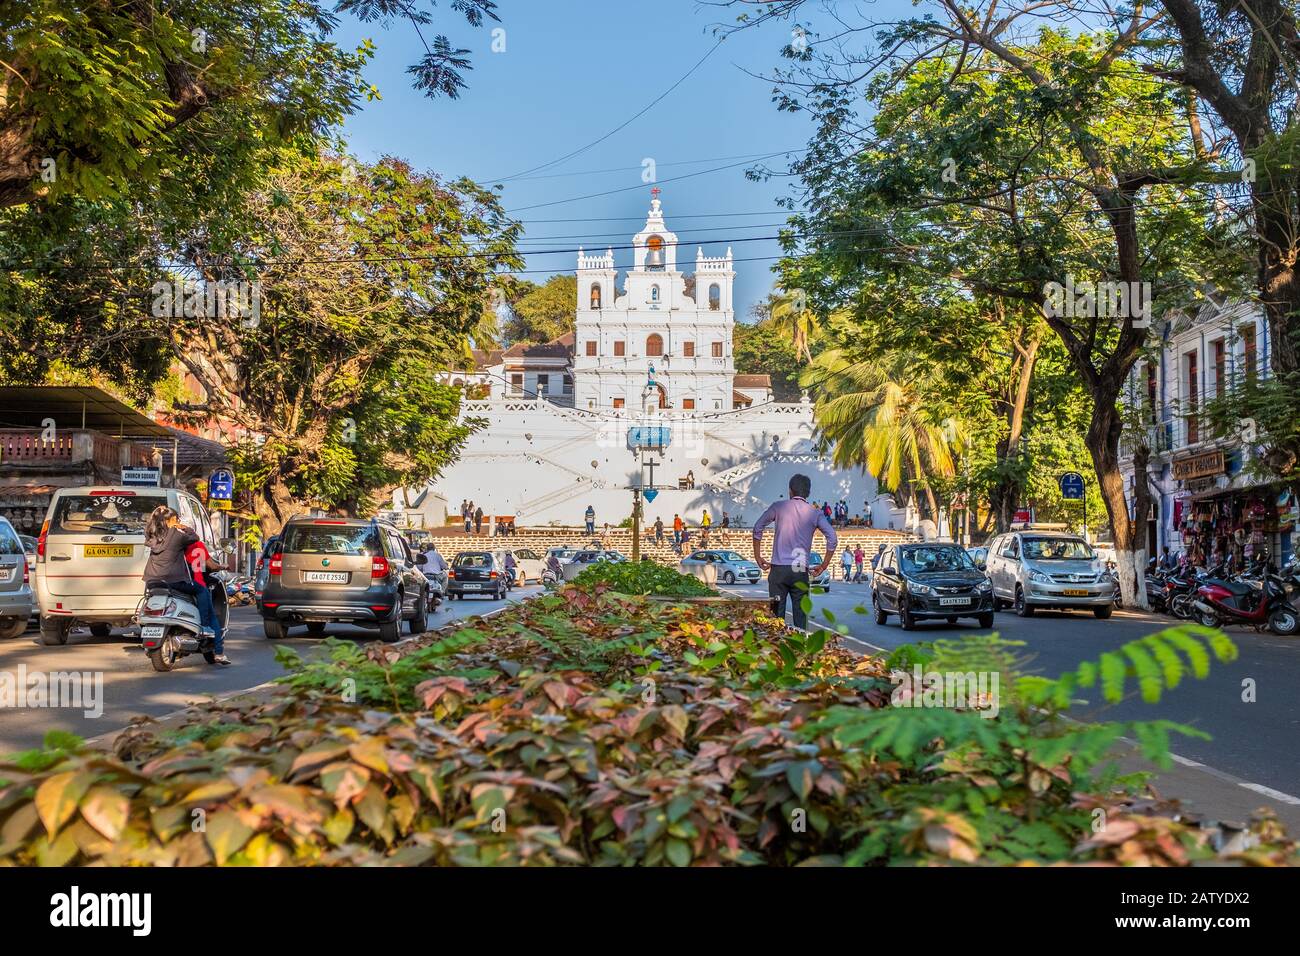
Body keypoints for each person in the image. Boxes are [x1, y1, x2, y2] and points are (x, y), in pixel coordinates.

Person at [752, 474, 837, 630]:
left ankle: (777, 649)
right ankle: (799, 649)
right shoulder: (815, 513)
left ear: (790, 491)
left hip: (778, 569)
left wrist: (758, 556)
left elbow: (758, 528)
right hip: (799, 568)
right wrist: (824, 565)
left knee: (776, 618)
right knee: (800, 616)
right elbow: (832, 538)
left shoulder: (778, 507)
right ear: (808, 493)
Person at [141, 506, 221, 658]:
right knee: (202, 590)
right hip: (174, 580)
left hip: (152, 581)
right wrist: (184, 527)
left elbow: (148, 527)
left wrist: (155, 513)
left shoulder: (152, 536)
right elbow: (195, 537)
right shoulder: (178, 535)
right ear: (171, 521)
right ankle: (203, 626)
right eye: (176, 519)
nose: (178, 521)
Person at [184, 532, 231, 664]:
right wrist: (223, 566)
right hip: (198, 583)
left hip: (180, 584)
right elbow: (212, 566)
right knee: (211, 619)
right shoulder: (198, 545)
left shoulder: (177, 545)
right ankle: (219, 652)